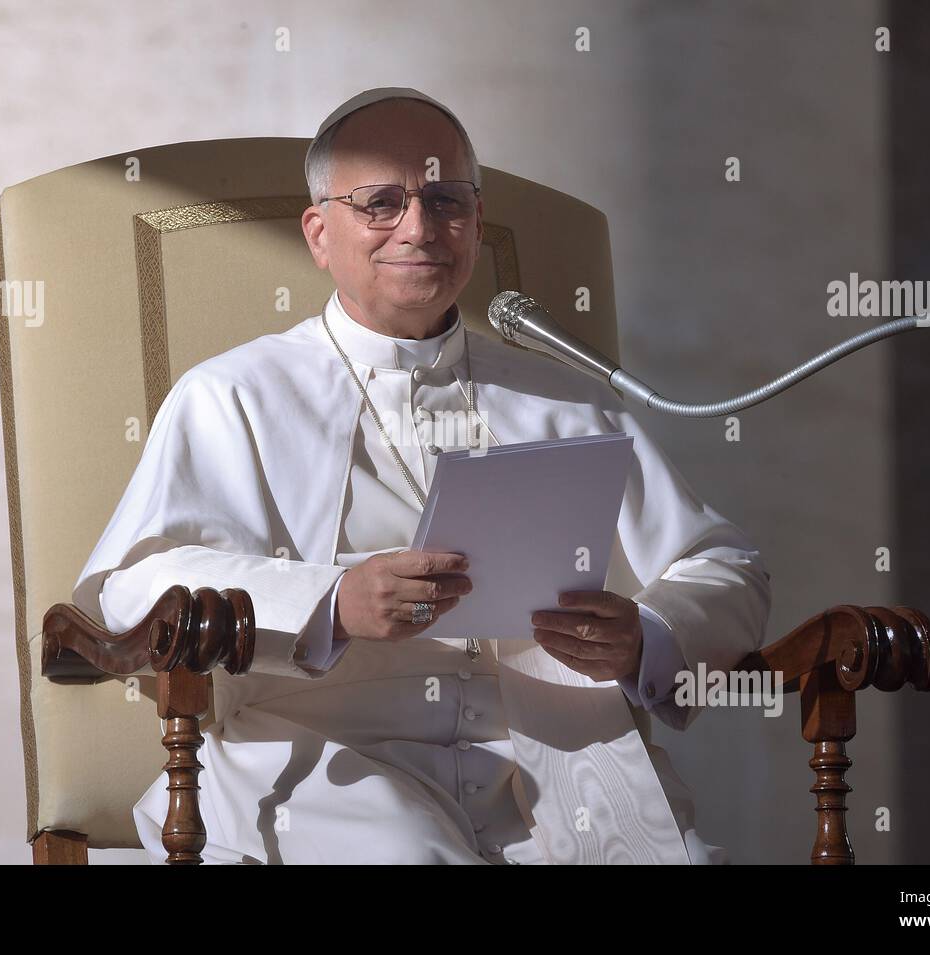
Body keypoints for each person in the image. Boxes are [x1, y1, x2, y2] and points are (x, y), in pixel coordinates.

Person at [72, 87, 772, 864]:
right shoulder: (232, 395)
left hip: (556, 765)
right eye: (381, 202)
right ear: (318, 233)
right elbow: (133, 585)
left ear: (475, 221)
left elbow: (726, 565)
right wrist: (331, 601)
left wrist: (646, 636)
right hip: (323, 763)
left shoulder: (567, 396)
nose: (420, 227)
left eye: (446, 199)